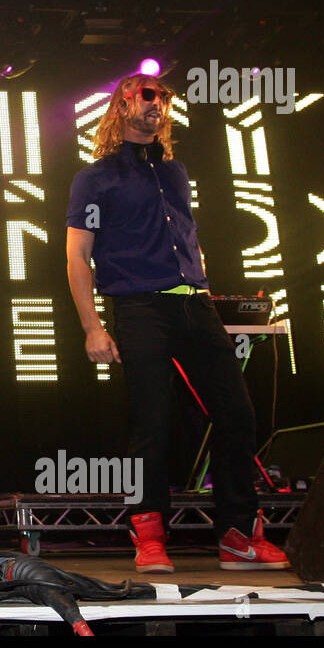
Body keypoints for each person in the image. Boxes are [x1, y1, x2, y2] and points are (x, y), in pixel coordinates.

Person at [64, 73, 288, 573]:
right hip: (140, 308)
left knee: (237, 414)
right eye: (149, 96)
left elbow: (182, 235)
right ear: (123, 104)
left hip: (196, 303)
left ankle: (236, 534)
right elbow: (78, 256)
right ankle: (148, 534)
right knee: (152, 421)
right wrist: (92, 326)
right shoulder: (95, 178)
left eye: (164, 98)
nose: (159, 105)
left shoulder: (175, 172)